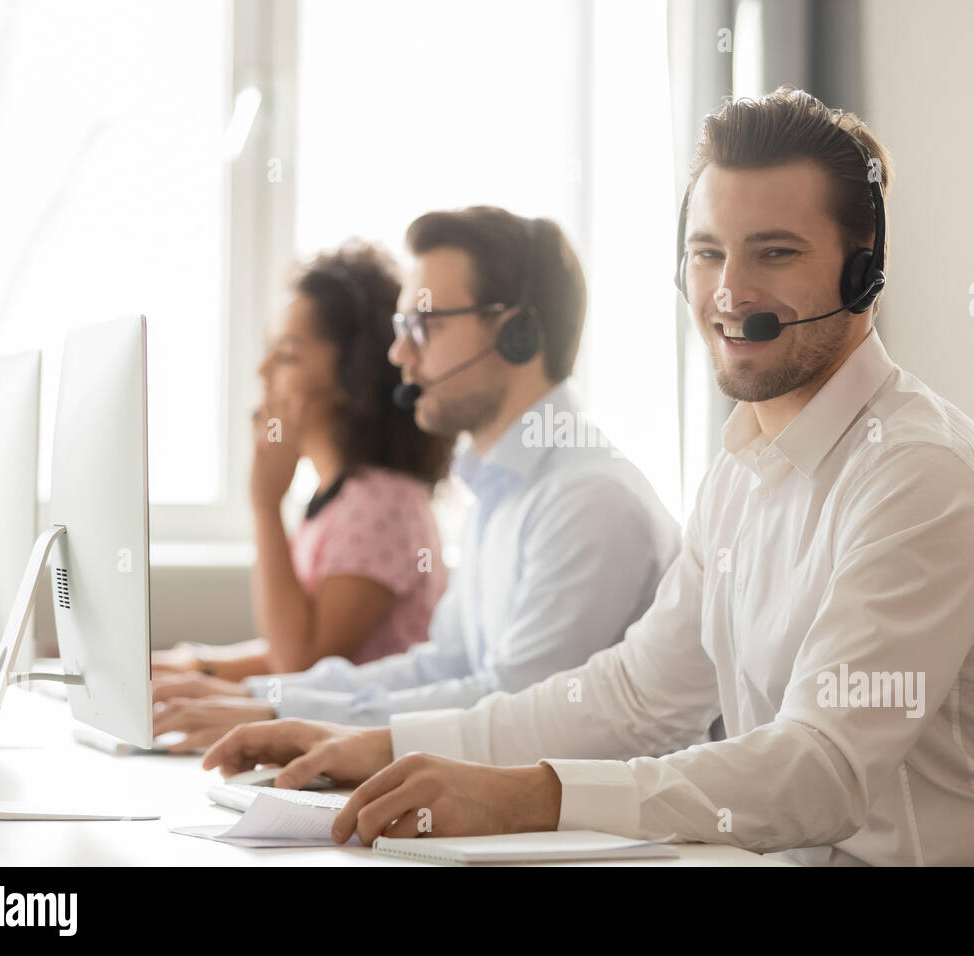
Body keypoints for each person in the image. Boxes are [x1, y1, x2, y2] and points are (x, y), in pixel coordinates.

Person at [201, 88, 974, 867]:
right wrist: (391, 743)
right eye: (706, 253)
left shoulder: (919, 478)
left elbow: (823, 769)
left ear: (862, 267)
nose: (728, 293)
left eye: (773, 252)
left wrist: (531, 796)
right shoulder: (744, 473)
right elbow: (636, 694)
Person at [152, 207, 681, 751]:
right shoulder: (500, 493)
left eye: (425, 325)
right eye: (402, 327)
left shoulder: (588, 502)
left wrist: (281, 718)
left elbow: (515, 710)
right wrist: (268, 703)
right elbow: (443, 665)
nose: (398, 353)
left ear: (517, 334)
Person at [152, 241, 454, 692]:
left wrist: (265, 505)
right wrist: (194, 667)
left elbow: (301, 665)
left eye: (288, 355)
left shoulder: (382, 505)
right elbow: (289, 646)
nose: (262, 371)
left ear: (352, 378)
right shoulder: (341, 497)